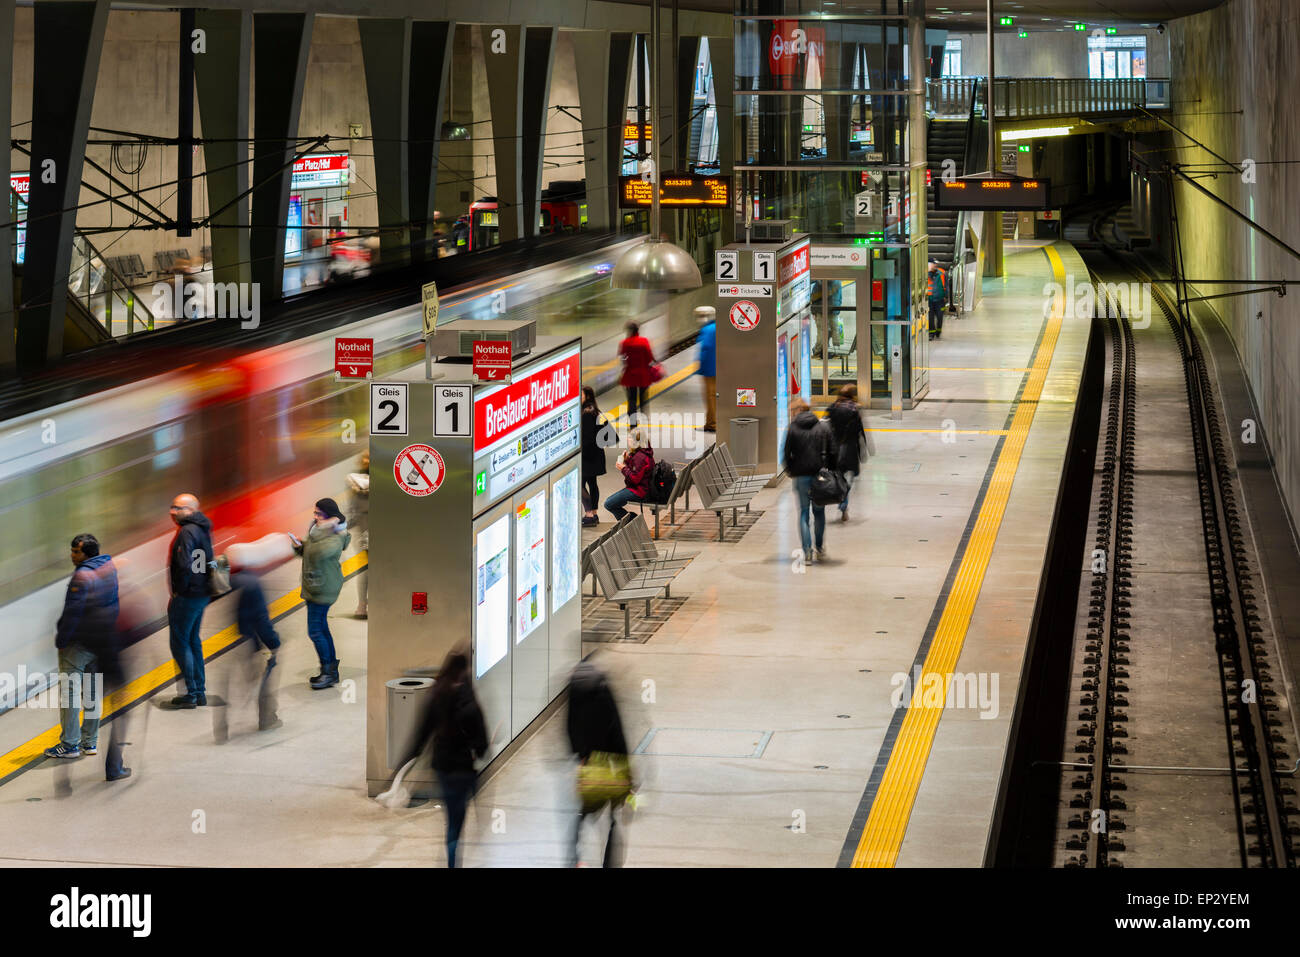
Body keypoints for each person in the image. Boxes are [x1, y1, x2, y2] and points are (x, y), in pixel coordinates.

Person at [44, 534, 130, 780]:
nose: (72, 556)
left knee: (70, 692)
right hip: (101, 641)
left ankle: (70, 744)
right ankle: (90, 741)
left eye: (75, 552)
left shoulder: (81, 576)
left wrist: (61, 640)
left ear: (86, 553)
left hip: (78, 643)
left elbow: (72, 613)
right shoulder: (109, 569)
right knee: (92, 691)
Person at [407, 646, 489, 868]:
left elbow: (422, 731)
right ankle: (453, 862)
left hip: (443, 768)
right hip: (463, 769)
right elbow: (482, 741)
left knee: (451, 821)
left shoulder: (436, 694)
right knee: (457, 822)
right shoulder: (469, 702)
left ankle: (452, 861)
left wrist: (410, 756)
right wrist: (478, 751)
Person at [567, 661, 633, 868]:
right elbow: (617, 732)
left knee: (583, 813)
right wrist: (627, 772)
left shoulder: (574, 694)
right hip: (609, 766)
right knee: (612, 819)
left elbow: (569, 727)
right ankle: (609, 863)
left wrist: (580, 755)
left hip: (588, 765)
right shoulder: (604, 693)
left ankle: (575, 858)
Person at [291, 498, 351, 690]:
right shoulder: (319, 532)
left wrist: (321, 531)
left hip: (323, 588)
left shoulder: (335, 536)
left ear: (329, 516)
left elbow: (318, 553)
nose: (315, 517)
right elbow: (310, 551)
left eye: (319, 514)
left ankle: (328, 673)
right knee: (322, 628)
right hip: (315, 585)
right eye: (314, 513)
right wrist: (300, 546)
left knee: (315, 630)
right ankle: (330, 668)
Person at [167, 493, 213, 708]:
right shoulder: (202, 529)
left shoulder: (187, 532)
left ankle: (191, 693)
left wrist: (179, 592)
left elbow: (185, 566)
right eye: (173, 507)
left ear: (191, 511)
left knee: (180, 642)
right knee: (193, 640)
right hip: (201, 593)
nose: (172, 512)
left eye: (178, 508)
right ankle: (199, 691)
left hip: (188, 596)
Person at [782, 398, 834, 563]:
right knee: (819, 512)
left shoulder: (792, 428)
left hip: (800, 476)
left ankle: (807, 551)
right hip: (818, 476)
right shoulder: (820, 426)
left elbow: (786, 453)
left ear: (798, 410)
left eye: (792, 411)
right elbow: (831, 450)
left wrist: (791, 470)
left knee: (804, 513)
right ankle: (819, 547)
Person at [827, 385, 874, 522]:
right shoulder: (855, 409)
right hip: (851, 449)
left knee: (839, 477)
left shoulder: (832, 408)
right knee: (849, 479)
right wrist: (864, 449)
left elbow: (826, 430)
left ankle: (843, 501)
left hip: (836, 450)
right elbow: (861, 431)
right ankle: (844, 500)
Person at [603, 426, 655, 521]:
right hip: (643, 488)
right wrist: (628, 460)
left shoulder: (640, 457)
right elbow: (638, 470)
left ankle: (632, 520)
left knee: (609, 504)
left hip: (639, 491)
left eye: (630, 437)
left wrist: (623, 468)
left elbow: (634, 478)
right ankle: (631, 520)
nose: (628, 439)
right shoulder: (643, 453)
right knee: (612, 502)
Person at [581, 387, 613, 528]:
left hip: (587, 456)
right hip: (596, 455)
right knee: (592, 484)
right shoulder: (596, 411)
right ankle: (594, 513)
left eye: (580, 394)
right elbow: (611, 436)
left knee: (580, 485)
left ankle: (589, 514)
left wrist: (581, 453)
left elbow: (587, 438)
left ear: (587, 396)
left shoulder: (587, 413)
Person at [346, 452, 370, 618]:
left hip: (362, 531)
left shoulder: (353, 481)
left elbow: (352, 509)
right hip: (372, 530)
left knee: (365, 570)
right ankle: (364, 604)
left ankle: (362, 605)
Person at [617, 321, 656, 424]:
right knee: (643, 396)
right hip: (643, 374)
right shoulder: (644, 341)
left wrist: (627, 364)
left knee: (632, 398)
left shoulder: (624, 343)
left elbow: (622, 358)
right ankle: (644, 417)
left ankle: (633, 422)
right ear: (638, 330)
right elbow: (649, 357)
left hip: (630, 374)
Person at [695, 305, 717, 432]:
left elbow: (706, 348)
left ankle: (713, 423)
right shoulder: (715, 327)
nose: (701, 319)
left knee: (710, 396)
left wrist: (700, 366)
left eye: (702, 316)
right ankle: (710, 422)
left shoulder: (708, 329)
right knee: (712, 396)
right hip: (717, 367)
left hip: (710, 369)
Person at [927, 261, 947, 340]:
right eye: (932, 264)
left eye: (935, 264)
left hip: (940, 300)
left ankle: (938, 331)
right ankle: (931, 333)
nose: (934, 265)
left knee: (940, 316)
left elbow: (946, 285)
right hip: (929, 300)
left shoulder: (942, 272)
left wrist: (946, 296)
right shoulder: (925, 273)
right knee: (930, 317)